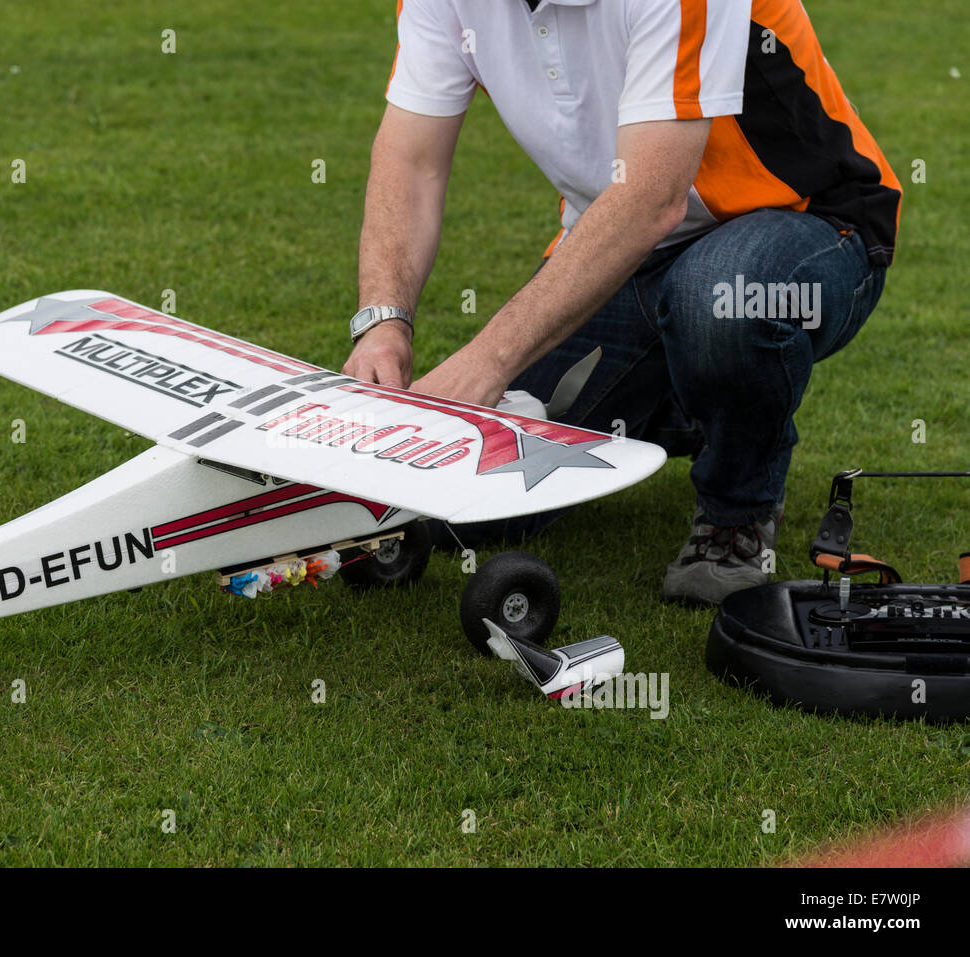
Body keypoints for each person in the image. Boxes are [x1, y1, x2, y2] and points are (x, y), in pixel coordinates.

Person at [342, 0, 901, 605]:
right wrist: (383, 322)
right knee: (469, 511)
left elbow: (652, 197)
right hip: (630, 246)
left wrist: (486, 362)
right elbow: (412, 161)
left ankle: (736, 513)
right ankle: (692, 398)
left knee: (719, 300)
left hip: (809, 221)